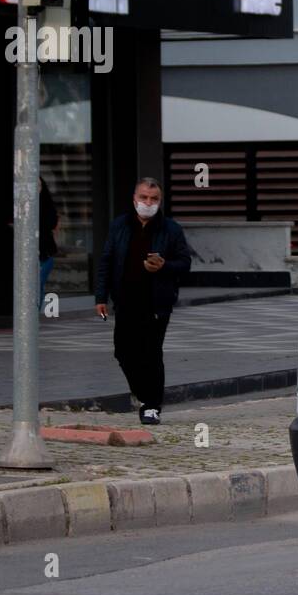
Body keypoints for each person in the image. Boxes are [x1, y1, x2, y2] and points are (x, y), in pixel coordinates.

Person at [94, 177, 191, 425]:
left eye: (154, 199)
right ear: (134, 199)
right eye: (144, 198)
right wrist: (101, 296)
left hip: (156, 303)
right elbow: (106, 260)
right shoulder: (120, 226)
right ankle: (141, 392)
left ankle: (151, 405)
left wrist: (164, 266)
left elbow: (185, 264)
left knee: (150, 353)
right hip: (125, 301)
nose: (148, 203)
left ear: (160, 201)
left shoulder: (171, 229)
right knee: (123, 351)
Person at [38, 177, 59, 313]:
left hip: (44, 255)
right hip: (26, 255)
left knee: (37, 285)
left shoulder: (46, 204)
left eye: (38, 185)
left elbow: (53, 223)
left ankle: (33, 316)